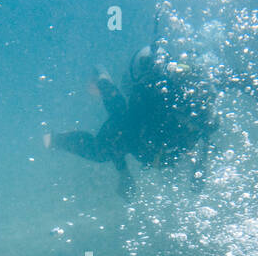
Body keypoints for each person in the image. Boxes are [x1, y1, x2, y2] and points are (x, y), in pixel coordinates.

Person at [45, 46, 218, 193]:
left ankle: (103, 80)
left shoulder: (192, 110)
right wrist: (124, 173)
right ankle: (54, 138)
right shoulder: (141, 110)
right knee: (102, 147)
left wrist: (200, 166)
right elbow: (118, 134)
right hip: (140, 135)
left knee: (112, 132)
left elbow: (206, 128)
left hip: (150, 141)